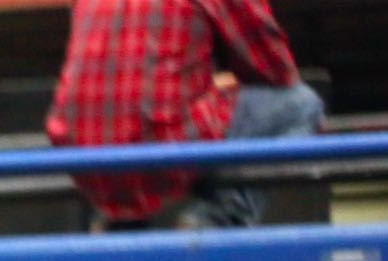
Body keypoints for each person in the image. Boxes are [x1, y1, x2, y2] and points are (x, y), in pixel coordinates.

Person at [46, 0, 324, 229]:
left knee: (138, 116)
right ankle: (218, 221)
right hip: (159, 144)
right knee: (300, 104)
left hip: (80, 151)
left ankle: (120, 223)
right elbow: (273, 67)